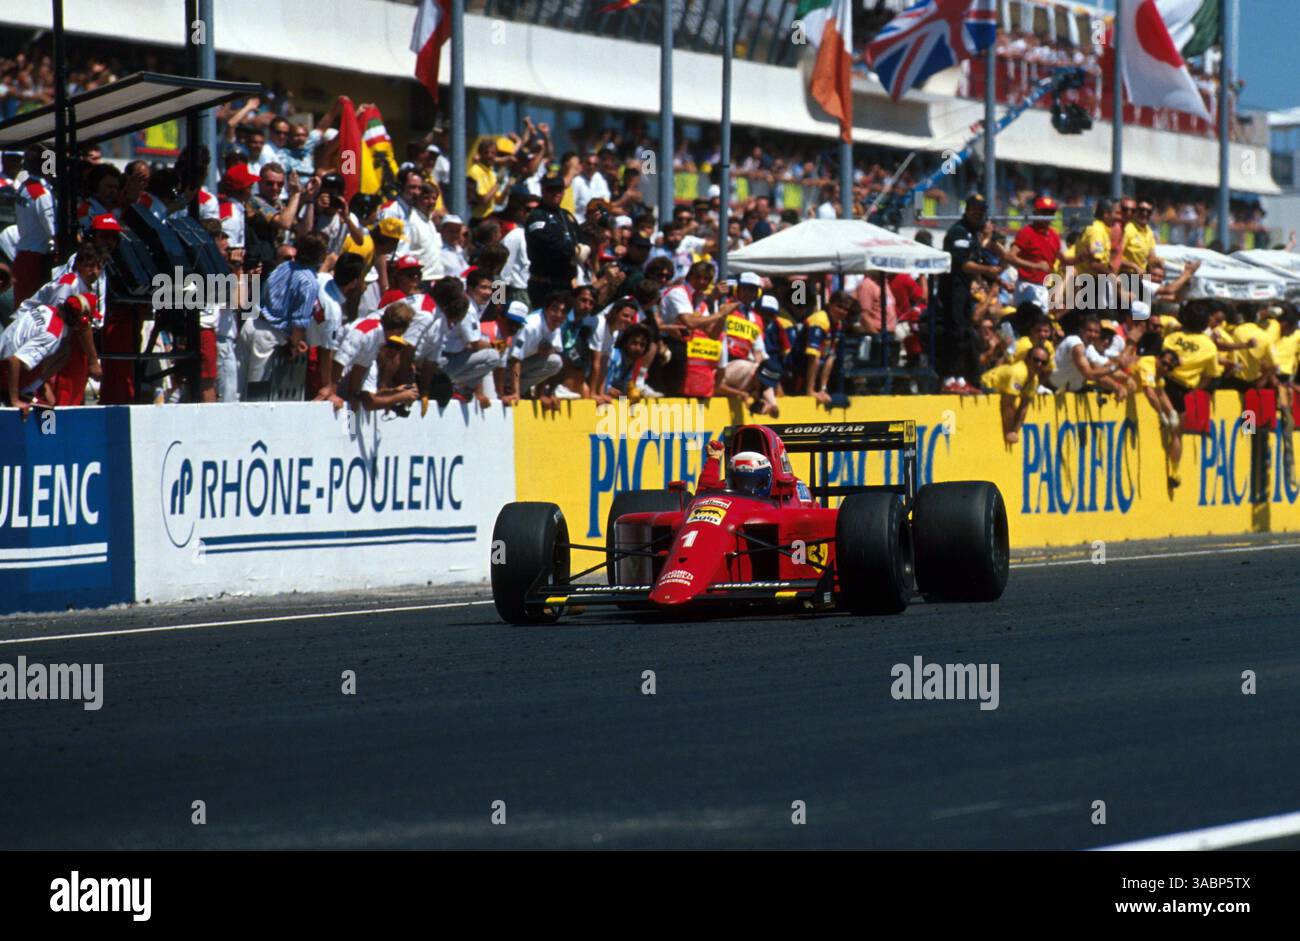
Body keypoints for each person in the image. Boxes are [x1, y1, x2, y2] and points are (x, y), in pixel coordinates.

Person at [939, 194, 1000, 389]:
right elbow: (963, 264)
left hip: (964, 289)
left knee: (966, 332)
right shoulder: (958, 232)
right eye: (974, 209)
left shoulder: (973, 233)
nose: (978, 214)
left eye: (981, 211)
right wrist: (987, 271)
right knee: (954, 332)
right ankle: (949, 376)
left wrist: (983, 280)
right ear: (967, 209)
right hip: (952, 288)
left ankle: (961, 376)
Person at [0, 293, 96, 417]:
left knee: (63, 351)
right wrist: (15, 401)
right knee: (61, 352)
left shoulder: (45, 309)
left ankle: (30, 389)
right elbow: (15, 360)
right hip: (4, 372)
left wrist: (42, 386)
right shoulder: (52, 334)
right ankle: (19, 393)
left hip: (4, 358)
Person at [525, 174, 583, 308]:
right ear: (543, 191)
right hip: (543, 285)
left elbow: (580, 239)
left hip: (566, 285)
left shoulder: (566, 215)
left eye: (560, 190)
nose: (556, 194)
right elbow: (545, 243)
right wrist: (572, 250)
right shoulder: (537, 216)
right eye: (551, 190)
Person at [981, 344, 1053, 444]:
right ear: (1027, 358)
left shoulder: (1034, 379)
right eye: (1036, 360)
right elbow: (1008, 403)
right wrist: (1009, 431)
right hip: (985, 387)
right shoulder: (1019, 373)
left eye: (1043, 362)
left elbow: (1024, 406)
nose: (1039, 364)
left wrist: (1015, 431)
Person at [1006, 197, 1066, 311]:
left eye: (1050, 213)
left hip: (1044, 287)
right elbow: (1009, 256)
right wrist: (1035, 266)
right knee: (1031, 322)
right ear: (1036, 213)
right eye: (1044, 212)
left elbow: (1064, 260)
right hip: (1027, 286)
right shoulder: (1027, 232)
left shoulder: (1054, 235)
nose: (1047, 216)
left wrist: (1081, 257)